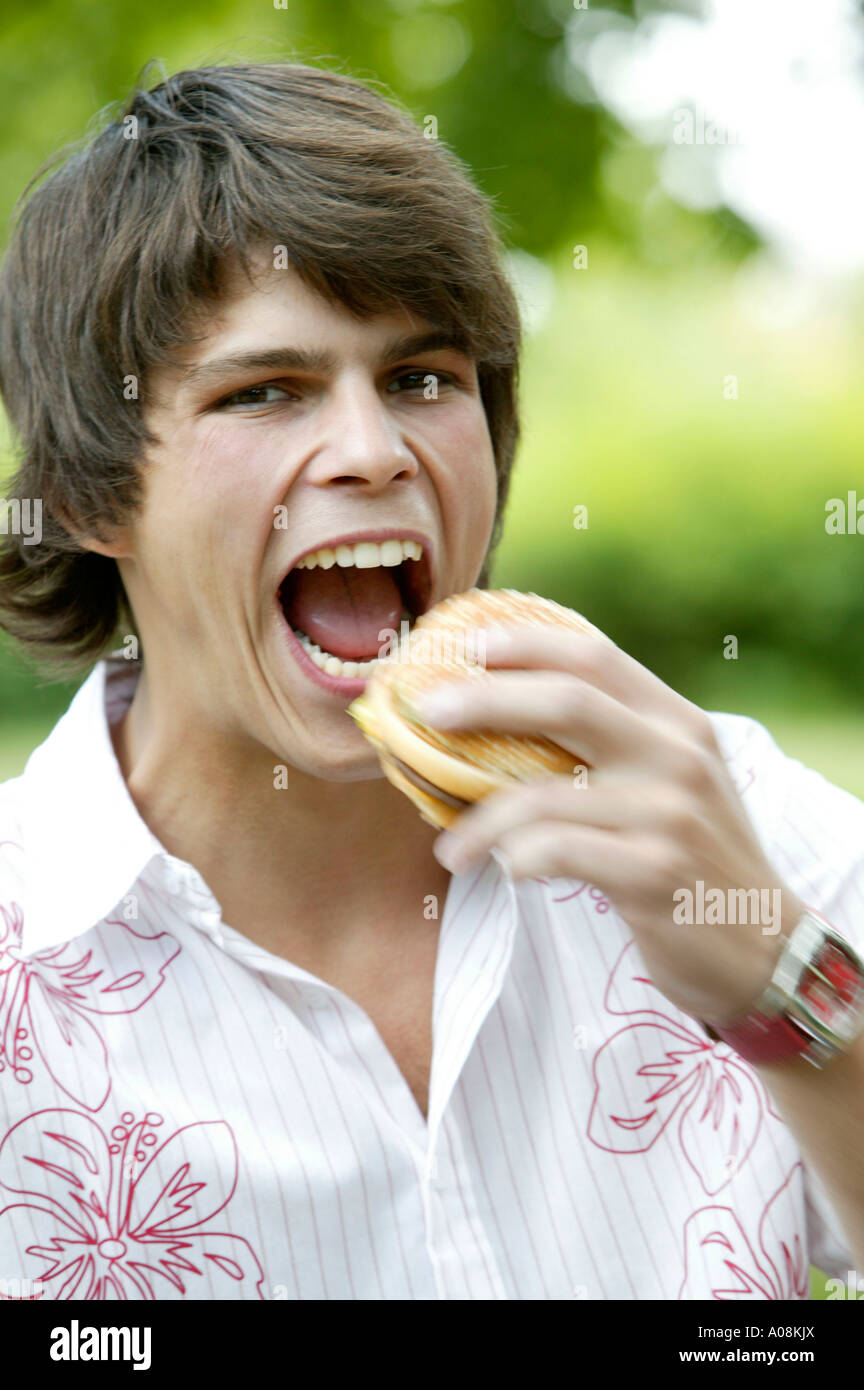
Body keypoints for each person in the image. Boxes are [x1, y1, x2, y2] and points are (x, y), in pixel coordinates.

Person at [0, 61, 862, 1302]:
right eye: (265, 391)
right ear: (89, 497)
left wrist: (786, 985)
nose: (372, 450)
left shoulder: (711, 819)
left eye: (422, 379)